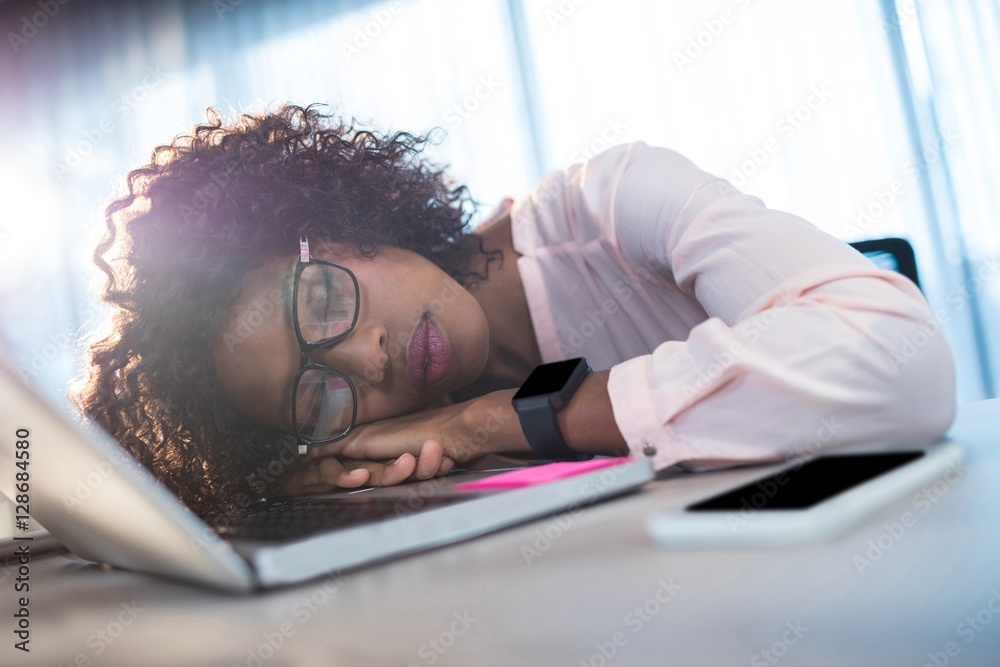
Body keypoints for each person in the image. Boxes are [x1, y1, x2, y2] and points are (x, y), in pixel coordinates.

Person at [75, 104, 956, 517]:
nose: (367, 359)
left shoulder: (615, 203)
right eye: (316, 397)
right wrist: (286, 490)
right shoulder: (403, 440)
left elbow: (904, 362)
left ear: (340, 222)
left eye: (324, 301)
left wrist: (496, 419)